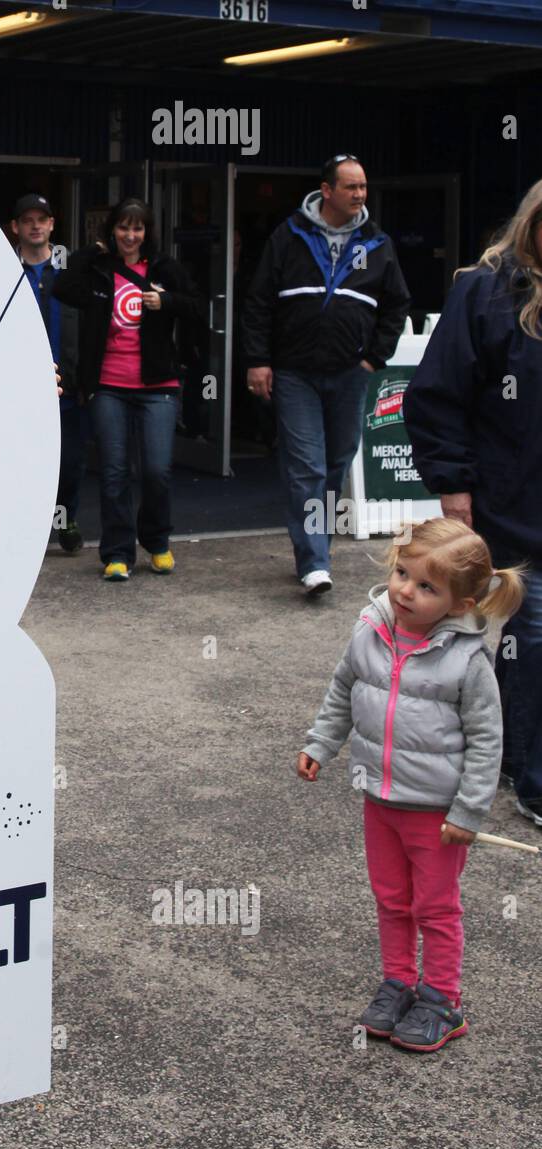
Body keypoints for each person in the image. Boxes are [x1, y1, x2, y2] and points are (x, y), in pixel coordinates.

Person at [298, 518, 524, 1051]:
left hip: (437, 812)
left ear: (461, 604)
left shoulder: (469, 661)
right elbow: (342, 690)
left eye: (427, 587)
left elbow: (488, 742)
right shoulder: (370, 631)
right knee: (392, 898)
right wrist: (319, 745)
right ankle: (398, 982)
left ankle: (442, 1000)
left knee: (436, 907)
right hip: (379, 798)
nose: (405, 591)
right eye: (402, 574)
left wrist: (469, 812)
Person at [405, 178, 542, 831]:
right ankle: (526, 770)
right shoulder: (486, 290)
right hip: (506, 504)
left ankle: (513, 751)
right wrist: (454, 491)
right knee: (532, 632)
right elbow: (436, 395)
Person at [243, 155, 411, 597]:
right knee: (307, 466)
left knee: (336, 462)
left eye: (364, 187)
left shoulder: (376, 243)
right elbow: (259, 301)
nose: (359, 195)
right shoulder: (289, 235)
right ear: (328, 190)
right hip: (295, 372)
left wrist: (375, 357)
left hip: (350, 372)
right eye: (351, 187)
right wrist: (258, 359)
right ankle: (314, 561)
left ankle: (316, 542)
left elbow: (397, 304)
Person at [52, 197, 203, 582]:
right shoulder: (100, 269)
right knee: (115, 473)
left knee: (156, 471)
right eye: (123, 227)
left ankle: (156, 541)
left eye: (137, 228)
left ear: (147, 232)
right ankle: (117, 553)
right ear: (112, 230)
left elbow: (196, 307)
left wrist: (165, 300)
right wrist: (92, 250)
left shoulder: (164, 268)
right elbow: (63, 286)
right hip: (108, 385)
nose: (130, 235)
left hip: (159, 386)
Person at [9, 193, 84, 553]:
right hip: (19, 390)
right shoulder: (3, 270)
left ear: (53, 224)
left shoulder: (70, 269)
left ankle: (66, 519)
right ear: (15, 227)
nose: (35, 226)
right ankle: (26, 533)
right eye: (27, 220)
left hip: (67, 386)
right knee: (23, 463)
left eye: (42, 219)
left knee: (68, 463)